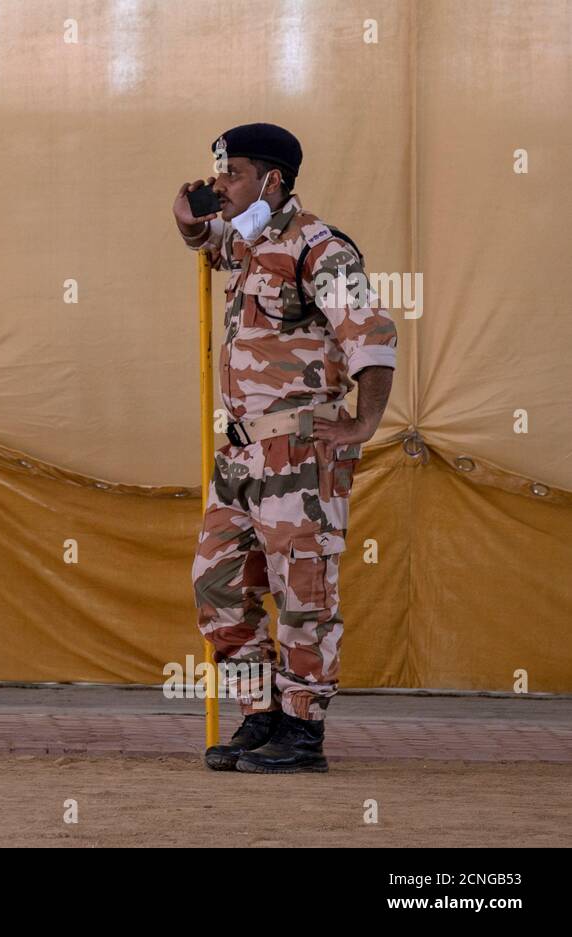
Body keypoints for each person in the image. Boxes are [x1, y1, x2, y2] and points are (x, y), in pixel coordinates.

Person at [172, 123, 397, 773]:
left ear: (274, 180)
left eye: (234, 173)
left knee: (303, 595)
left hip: (299, 455)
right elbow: (205, 237)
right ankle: (260, 713)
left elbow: (374, 336)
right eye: (220, 173)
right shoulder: (246, 244)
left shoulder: (319, 247)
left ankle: (302, 732)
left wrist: (361, 425)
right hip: (239, 457)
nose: (222, 184)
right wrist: (189, 218)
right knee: (217, 588)